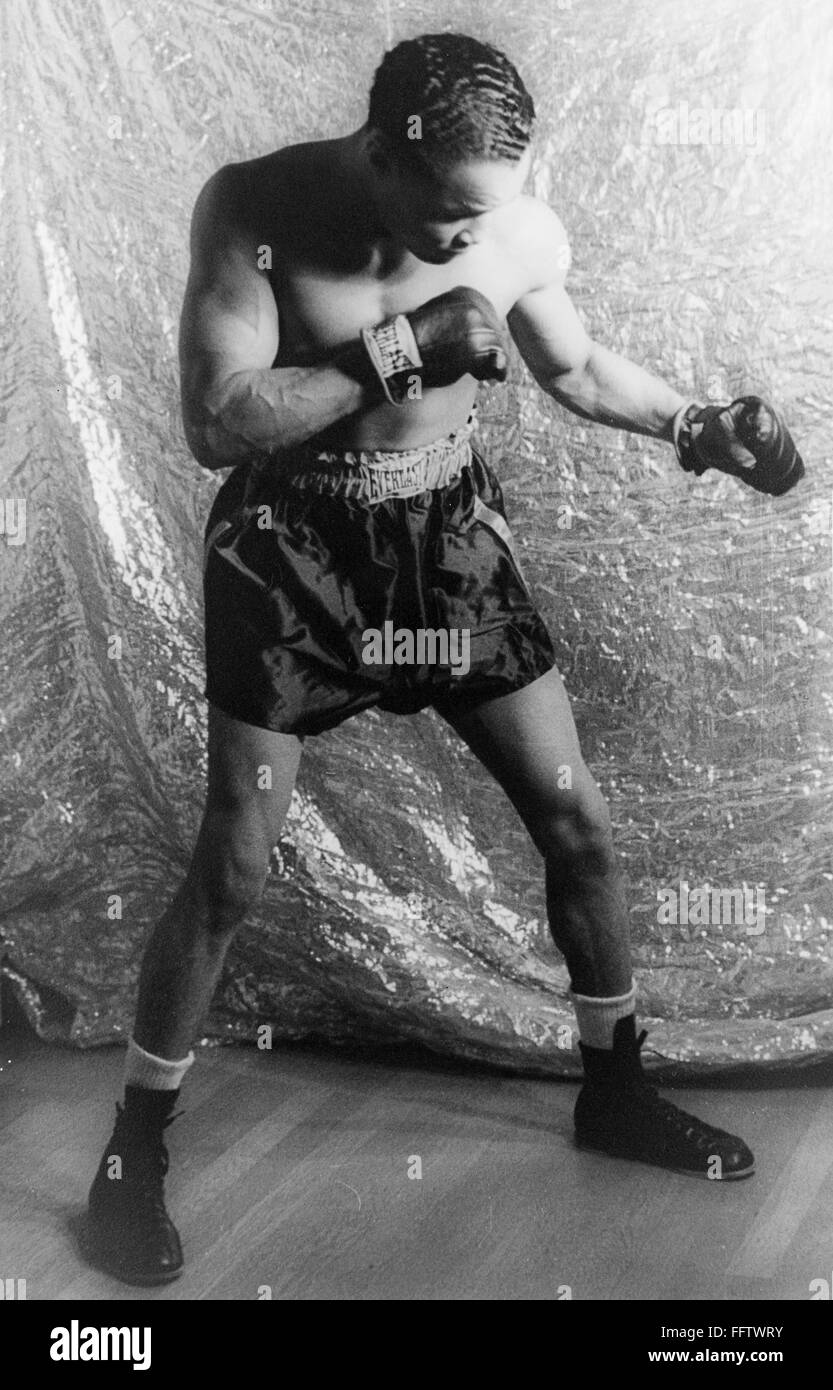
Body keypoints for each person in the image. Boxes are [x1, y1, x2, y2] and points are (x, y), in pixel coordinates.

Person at [86, 32, 804, 1286]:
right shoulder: (254, 212)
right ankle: (128, 1152)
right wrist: (404, 346)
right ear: (382, 159)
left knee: (575, 821)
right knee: (236, 864)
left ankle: (612, 1089)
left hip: (445, 542)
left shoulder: (506, 224)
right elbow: (216, 419)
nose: (481, 237)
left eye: (499, 208)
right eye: (456, 212)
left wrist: (695, 424)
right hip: (291, 552)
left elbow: (572, 367)